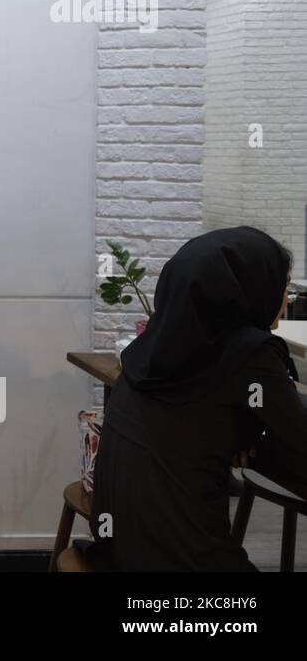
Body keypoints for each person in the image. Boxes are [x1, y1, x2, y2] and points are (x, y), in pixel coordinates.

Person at [90, 226, 307, 570]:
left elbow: (197, 421)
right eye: (284, 285)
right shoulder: (250, 355)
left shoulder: (147, 351)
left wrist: (244, 433)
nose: (285, 300)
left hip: (121, 548)